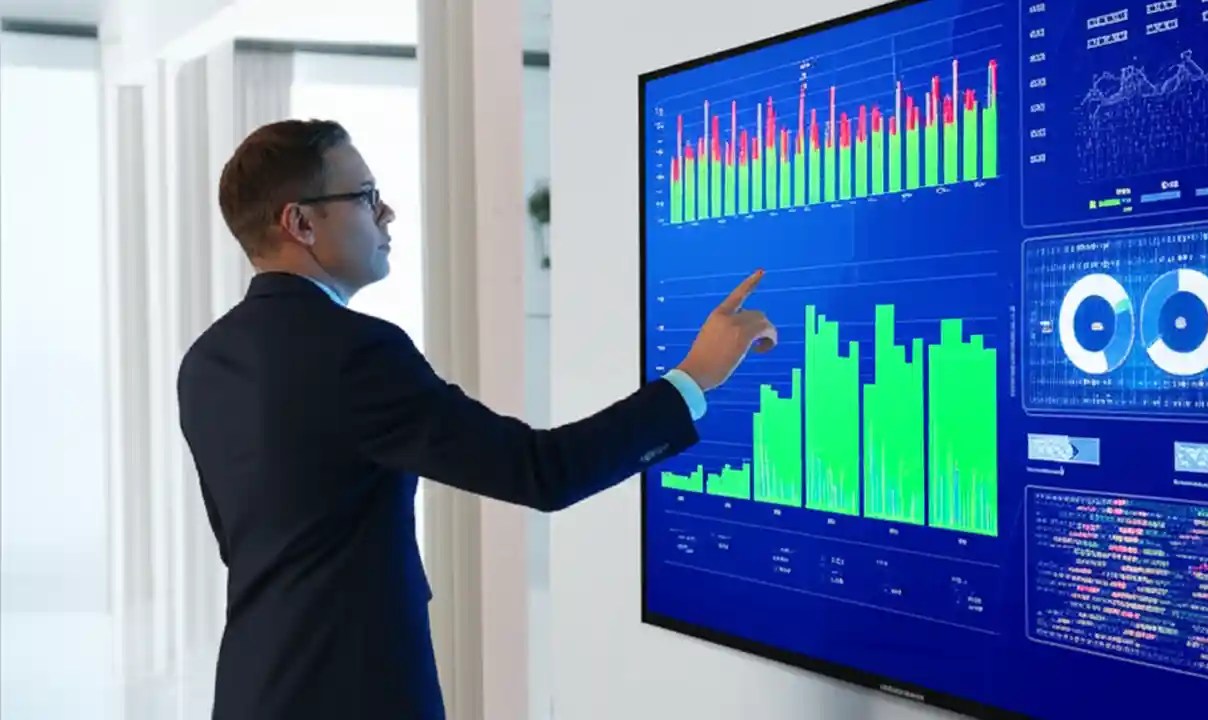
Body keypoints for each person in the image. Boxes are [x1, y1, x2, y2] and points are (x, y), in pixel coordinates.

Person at [177, 119, 777, 720]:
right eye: (364, 196)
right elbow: (542, 472)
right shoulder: (356, 354)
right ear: (300, 223)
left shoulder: (205, 362)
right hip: (354, 692)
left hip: (251, 692)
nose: (387, 213)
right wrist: (694, 377)